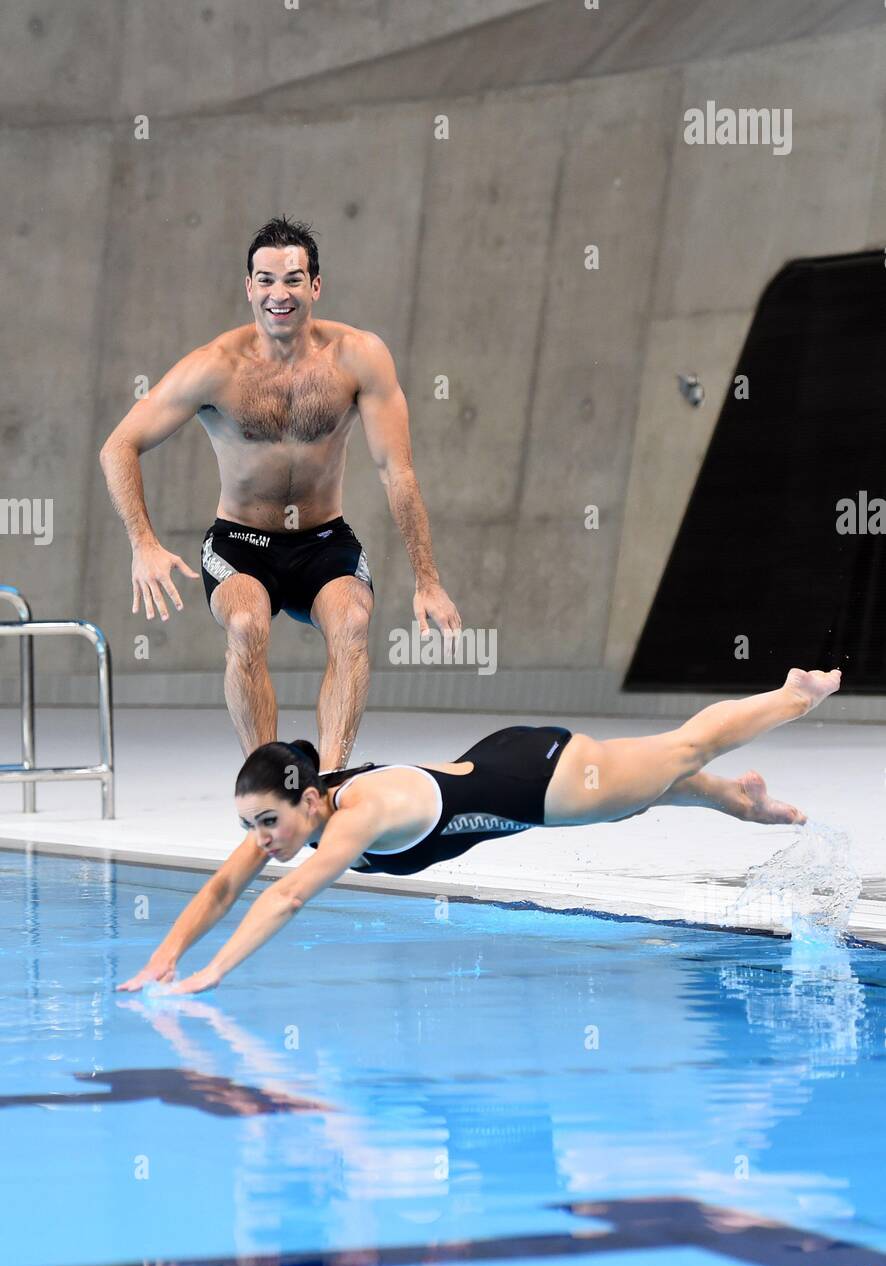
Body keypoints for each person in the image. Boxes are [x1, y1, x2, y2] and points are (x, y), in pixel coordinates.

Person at [117, 668, 840, 996]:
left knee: (680, 751)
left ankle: (791, 695)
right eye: (250, 827)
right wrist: (165, 955)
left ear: (307, 798)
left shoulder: (354, 814)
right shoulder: (295, 816)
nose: (261, 841)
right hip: (505, 759)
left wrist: (213, 973)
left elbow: (289, 899)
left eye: (267, 823)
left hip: (541, 782)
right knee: (635, 794)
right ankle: (741, 802)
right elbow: (221, 888)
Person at [99, 215, 460, 767]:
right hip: (241, 543)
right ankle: (267, 779)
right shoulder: (215, 367)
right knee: (245, 627)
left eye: (292, 279)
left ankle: (330, 782)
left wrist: (427, 579)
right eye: (265, 280)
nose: (278, 294)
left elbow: (397, 472)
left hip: (324, 541)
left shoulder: (358, 357)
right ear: (249, 287)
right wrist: (142, 543)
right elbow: (118, 446)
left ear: (315, 286)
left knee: (354, 624)